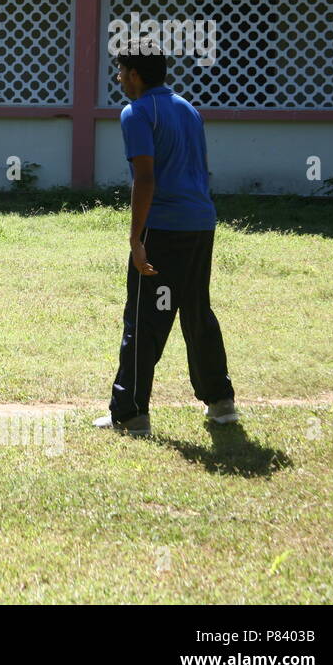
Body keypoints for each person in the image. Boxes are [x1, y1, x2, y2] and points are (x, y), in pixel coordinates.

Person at [94, 52, 237, 437]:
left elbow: (145, 179)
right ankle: (221, 403)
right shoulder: (187, 108)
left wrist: (136, 239)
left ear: (136, 75)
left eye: (122, 71)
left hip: (164, 229)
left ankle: (131, 414)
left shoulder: (137, 112)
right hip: (200, 223)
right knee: (195, 311)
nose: (119, 77)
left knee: (145, 318)